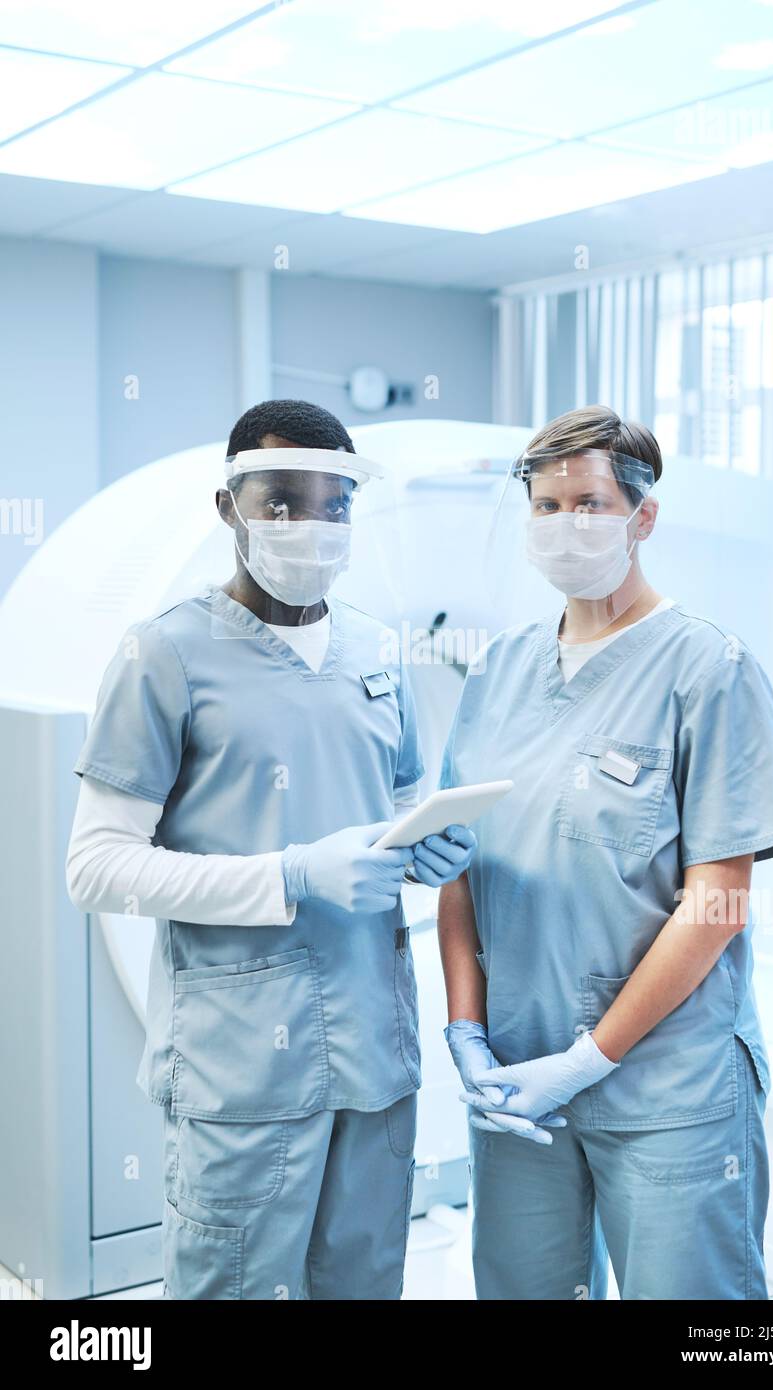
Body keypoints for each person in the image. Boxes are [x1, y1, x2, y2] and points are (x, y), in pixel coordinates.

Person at [66, 399, 476, 1300]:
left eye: (331, 504)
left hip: (373, 1047)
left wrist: (426, 848)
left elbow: (397, 802)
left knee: (363, 1283)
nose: (308, 526)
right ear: (229, 509)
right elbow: (96, 865)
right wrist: (289, 876)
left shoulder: (375, 647)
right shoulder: (163, 654)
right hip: (241, 1063)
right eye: (281, 503)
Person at [438, 404, 773, 1301]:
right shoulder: (499, 672)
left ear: (643, 516)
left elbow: (718, 903)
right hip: (520, 1077)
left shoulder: (708, 669)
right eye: (547, 504)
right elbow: (458, 866)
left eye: (590, 502)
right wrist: (466, 1031)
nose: (566, 524)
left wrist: (590, 1058)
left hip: (666, 1087)